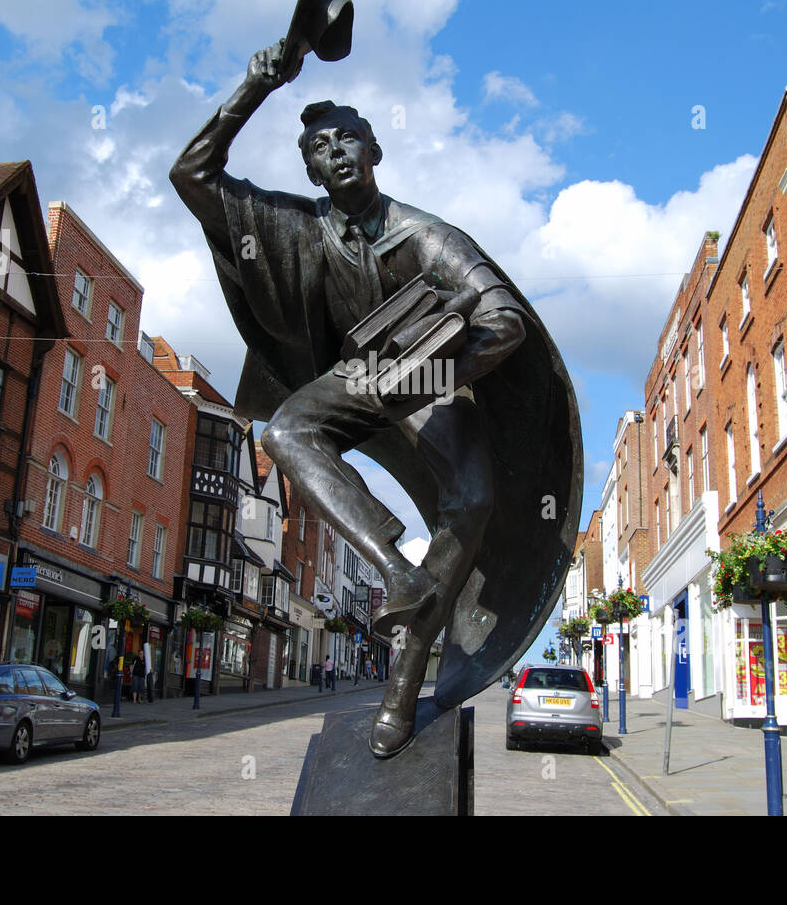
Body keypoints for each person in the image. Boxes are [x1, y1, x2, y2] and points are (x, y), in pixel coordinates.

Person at [170, 38, 580, 758]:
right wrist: (256, 85)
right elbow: (192, 173)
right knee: (285, 432)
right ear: (310, 169)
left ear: (375, 150)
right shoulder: (296, 226)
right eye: (319, 147)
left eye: (347, 139)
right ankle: (397, 572)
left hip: (431, 384)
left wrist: (434, 375)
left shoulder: (425, 234)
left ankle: (406, 681)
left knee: (474, 498)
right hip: (354, 377)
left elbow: (505, 320)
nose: (335, 153)